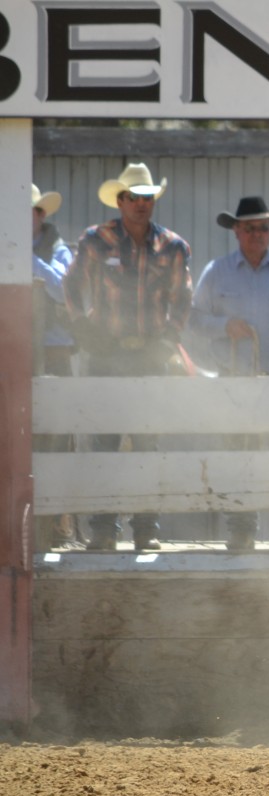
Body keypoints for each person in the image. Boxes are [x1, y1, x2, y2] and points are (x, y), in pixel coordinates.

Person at [63, 163, 192, 552]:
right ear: (120, 200)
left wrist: (169, 340)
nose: (140, 204)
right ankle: (104, 528)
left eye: (146, 198)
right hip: (106, 352)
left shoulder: (172, 246)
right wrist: (82, 327)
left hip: (149, 355)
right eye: (133, 198)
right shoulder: (95, 240)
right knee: (105, 441)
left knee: (146, 443)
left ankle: (145, 528)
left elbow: (183, 298)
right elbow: (71, 284)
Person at [186, 196, 269, 551]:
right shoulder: (216, 272)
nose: (257, 234)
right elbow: (193, 320)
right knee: (239, 454)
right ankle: (242, 529)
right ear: (236, 232)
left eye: (264, 228)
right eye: (250, 228)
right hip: (236, 379)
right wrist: (224, 325)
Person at [31, 183, 82, 550]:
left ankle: (60, 528)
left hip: (54, 353)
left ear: (41, 215)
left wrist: (25, 260)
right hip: (17, 352)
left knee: (58, 439)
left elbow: (62, 288)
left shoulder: (60, 250)